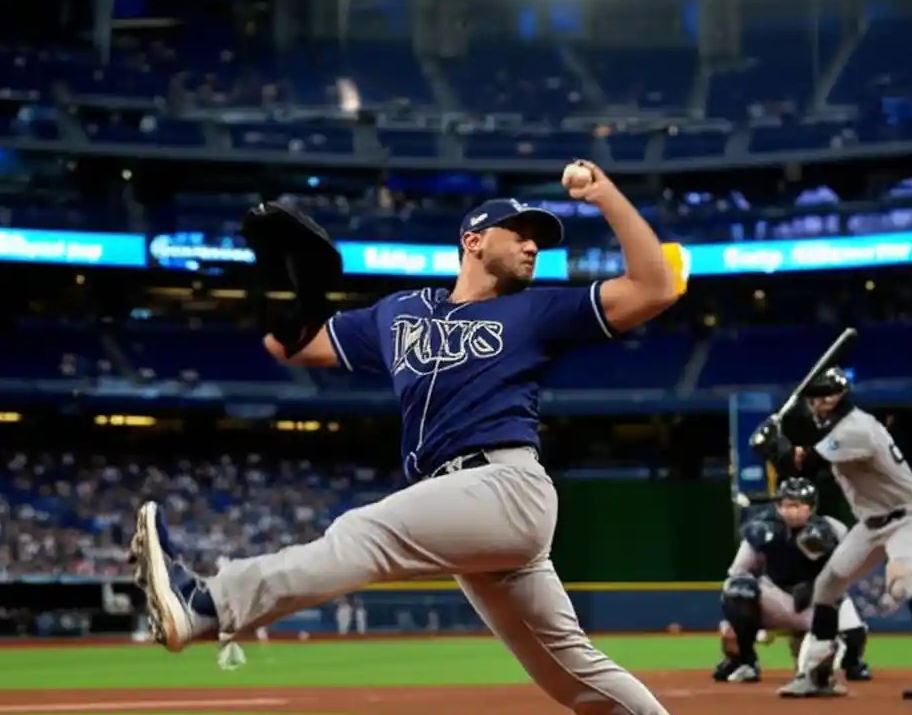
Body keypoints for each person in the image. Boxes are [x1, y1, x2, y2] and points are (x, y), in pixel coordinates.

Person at [129, 160, 682, 715]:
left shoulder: (536, 311)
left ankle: (207, 603)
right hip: (465, 510)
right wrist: (291, 293)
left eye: (537, 238)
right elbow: (295, 345)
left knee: (364, 530)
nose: (532, 245)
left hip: (505, 485)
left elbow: (655, 288)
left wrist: (605, 194)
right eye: (520, 233)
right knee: (570, 671)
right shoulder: (400, 312)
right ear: (473, 240)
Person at [750, 367, 912, 703]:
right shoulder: (839, 430)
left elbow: (803, 466)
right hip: (871, 524)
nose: (815, 404)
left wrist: (774, 445)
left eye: (820, 397)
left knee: (902, 582)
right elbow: (802, 457)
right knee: (826, 587)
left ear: (836, 397)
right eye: (812, 398)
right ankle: (817, 676)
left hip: (909, 519)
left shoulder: (855, 430)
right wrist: (777, 446)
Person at [713, 477, 871, 687]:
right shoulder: (762, 530)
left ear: (811, 507)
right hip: (776, 598)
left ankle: (850, 661)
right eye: (786, 505)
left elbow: (848, 569)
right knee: (738, 590)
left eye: (798, 505)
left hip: (818, 602)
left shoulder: (834, 529)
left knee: (853, 640)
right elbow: (738, 572)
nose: (792, 511)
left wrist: (818, 585)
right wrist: (736, 623)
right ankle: (745, 662)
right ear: (778, 507)